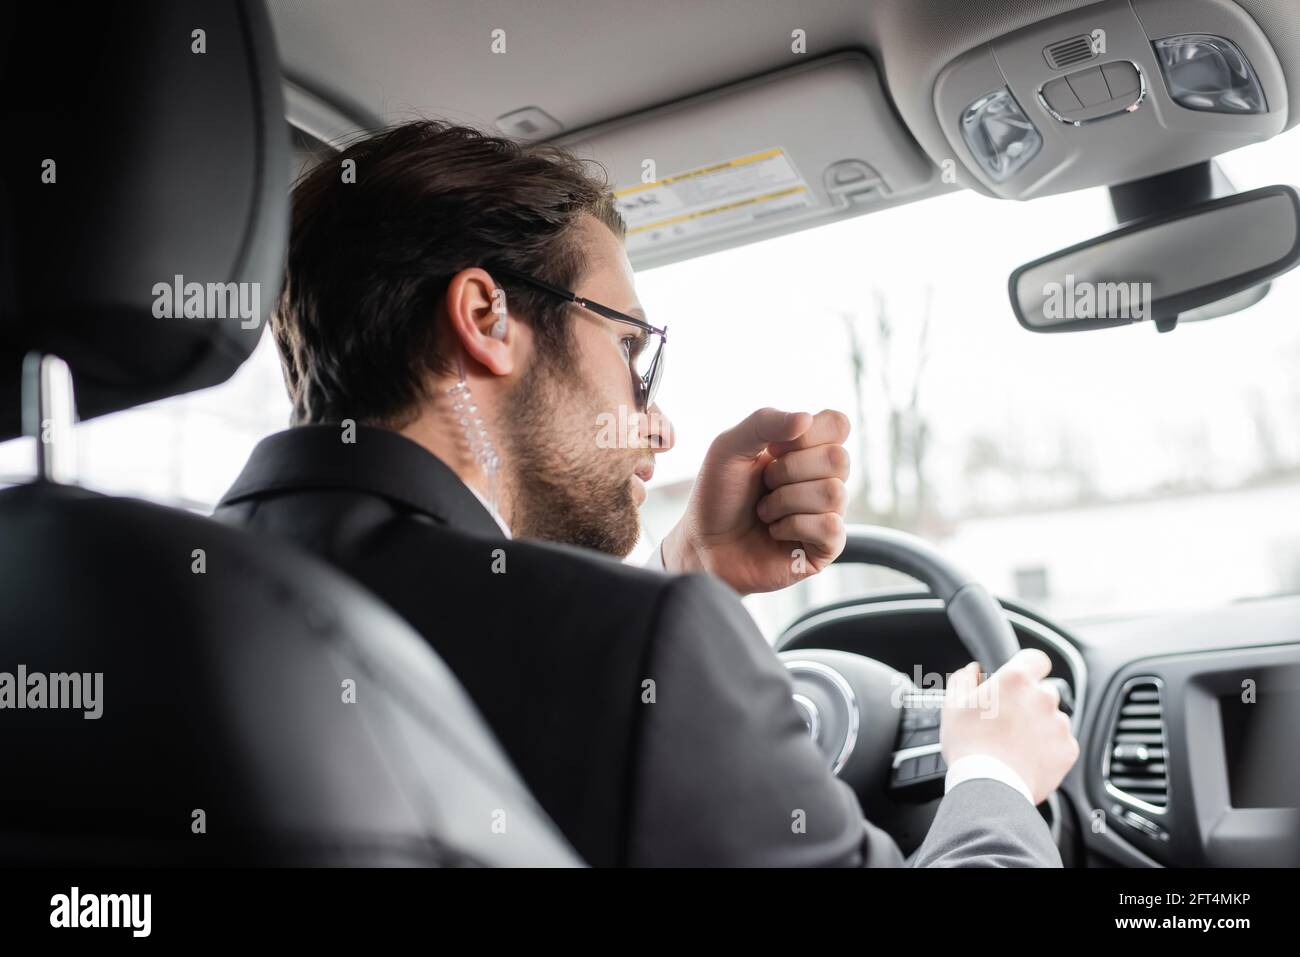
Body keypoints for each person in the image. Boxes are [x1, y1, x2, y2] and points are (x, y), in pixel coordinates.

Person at [215, 120, 1077, 866]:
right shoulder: (645, 648)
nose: (659, 427)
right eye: (632, 353)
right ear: (486, 320)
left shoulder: (181, 588)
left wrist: (688, 567)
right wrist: (993, 772)